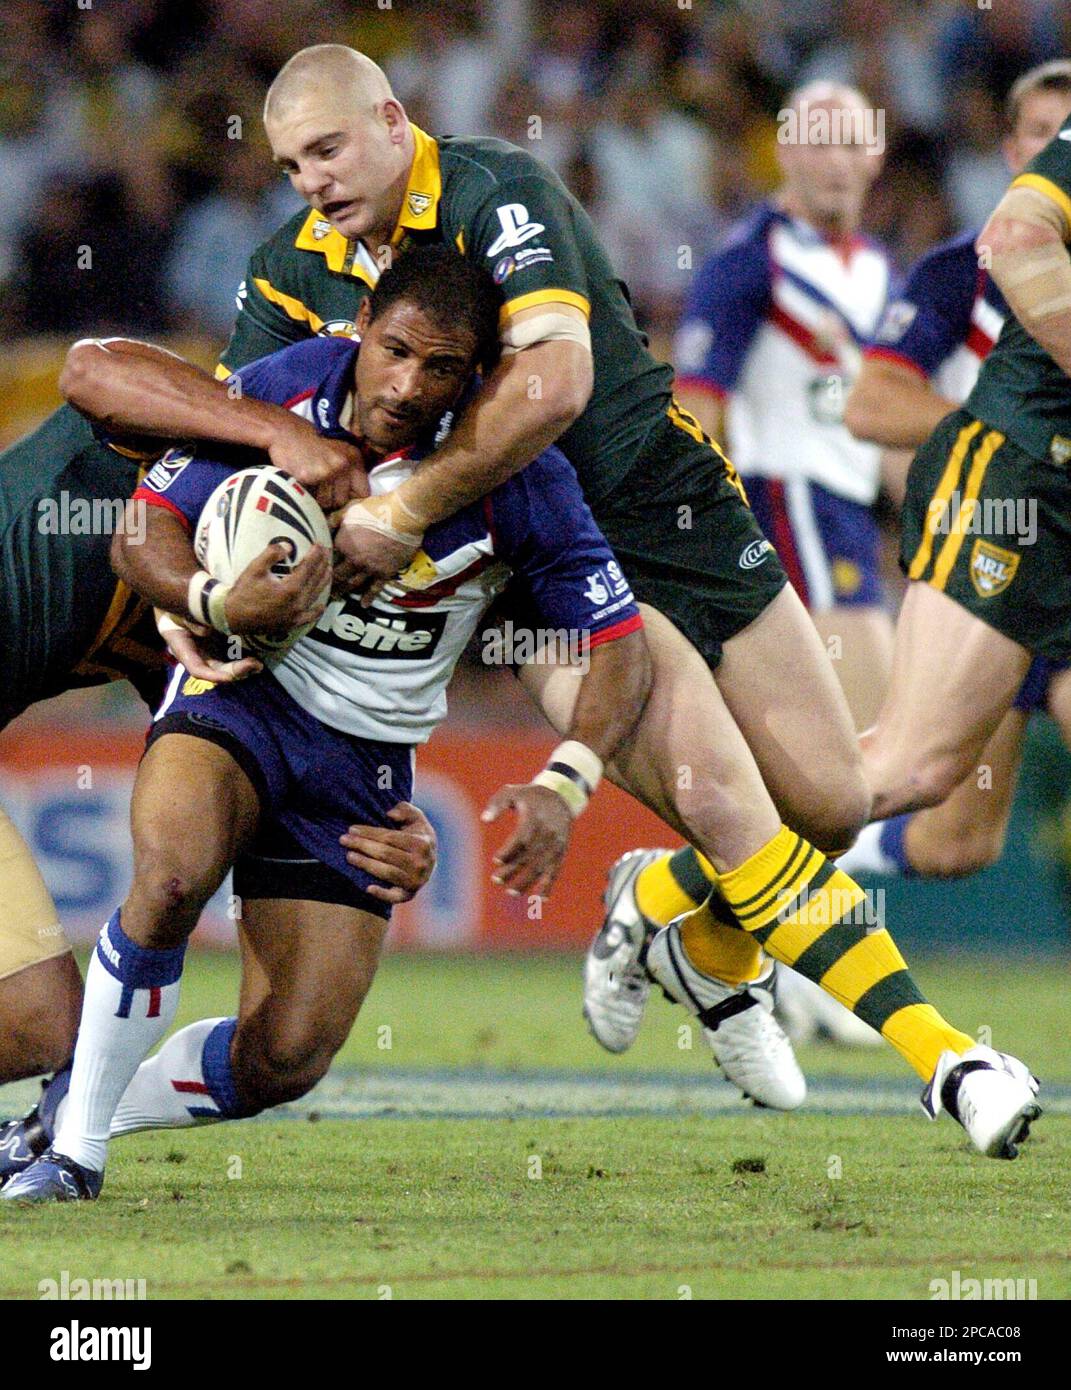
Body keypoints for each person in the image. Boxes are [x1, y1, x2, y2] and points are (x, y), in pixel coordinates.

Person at [62, 45, 1040, 1154]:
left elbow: (557, 381)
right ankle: (951, 1065)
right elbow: (246, 445)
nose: (313, 179)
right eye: (290, 163)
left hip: (661, 498)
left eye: (329, 148)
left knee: (831, 801)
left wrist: (408, 504)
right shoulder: (293, 266)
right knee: (726, 800)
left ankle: (674, 920)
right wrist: (209, 590)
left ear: (393, 121)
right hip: (530, 560)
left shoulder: (495, 193)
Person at [2, 247, 652, 1201]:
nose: (408, 384)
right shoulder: (278, 396)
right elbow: (142, 527)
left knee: (289, 1052)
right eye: (395, 351)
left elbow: (617, 644)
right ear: (361, 329)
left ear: (475, 374)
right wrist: (215, 599)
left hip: (362, 762)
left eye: (440, 368)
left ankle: (69, 1111)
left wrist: (566, 781)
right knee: (173, 874)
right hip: (238, 698)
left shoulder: (516, 475)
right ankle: (74, 1156)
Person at [0, 372, 436, 1182]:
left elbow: (246, 752)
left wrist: (392, 815)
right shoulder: (175, 442)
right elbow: (89, 367)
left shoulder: (212, 637)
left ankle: (46, 1133)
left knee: (46, 1023)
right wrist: (275, 429)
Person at [669, 82, 890, 1047]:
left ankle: (686, 912)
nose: (838, 160)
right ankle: (803, 968)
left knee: (839, 769)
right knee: (858, 755)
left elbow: (873, 419)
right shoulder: (745, 264)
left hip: (846, 515)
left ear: (875, 157)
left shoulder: (876, 270)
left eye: (854, 143)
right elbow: (697, 411)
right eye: (820, 142)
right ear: (787, 154)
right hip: (781, 507)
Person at [839, 60, 1071, 882]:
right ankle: (690, 876)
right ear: (1014, 151)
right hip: (1009, 499)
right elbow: (868, 404)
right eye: (1039, 135)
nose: (1050, 149)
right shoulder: (955, 270)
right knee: (920, 778)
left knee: (954, 837)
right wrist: (979, 429)